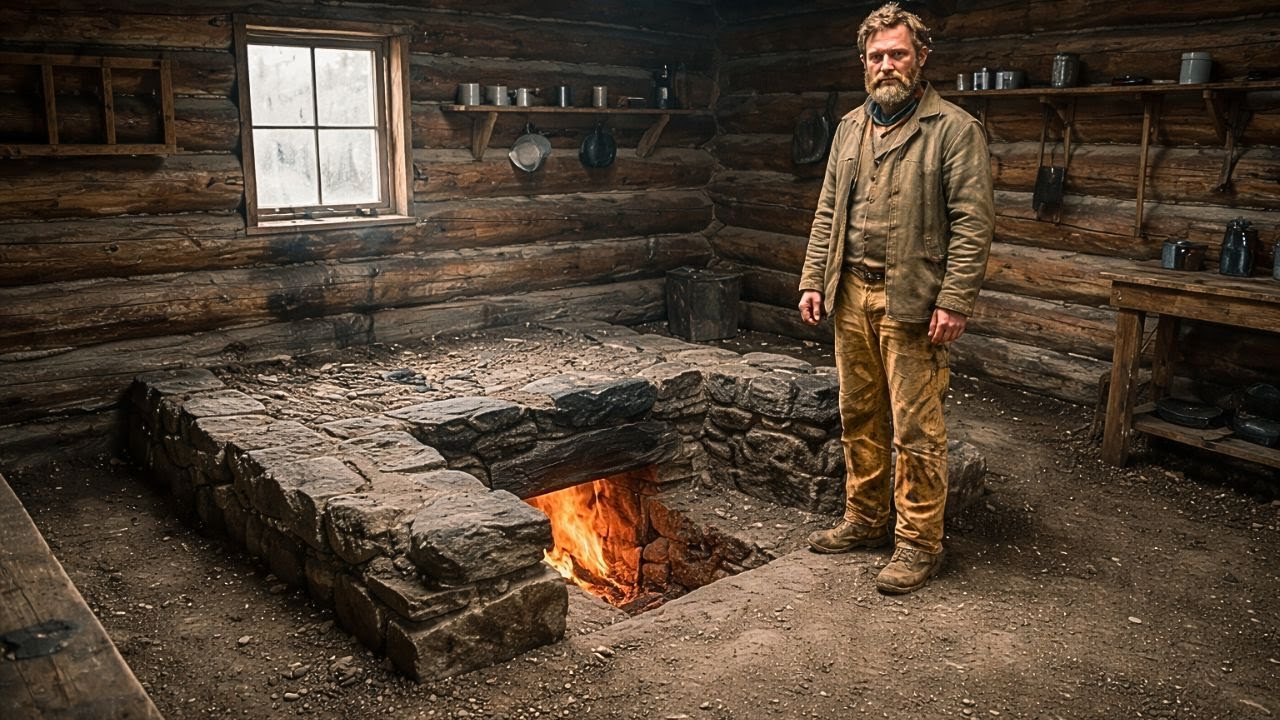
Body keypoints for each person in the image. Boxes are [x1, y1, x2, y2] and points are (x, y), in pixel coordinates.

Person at [798, 2, 994, 594]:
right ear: (864, 62)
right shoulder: (851, 127)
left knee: (916, 427)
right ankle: (865, 519)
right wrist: (813, 278)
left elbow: (973, 222)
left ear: (921, 58)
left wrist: (955, 299)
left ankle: (918, 543)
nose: (887, 65)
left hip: (913, 298)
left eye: (898, 54)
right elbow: (829, 208)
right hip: (852, 291)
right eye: (877, 56)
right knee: (858, 413)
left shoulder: (954, 130)